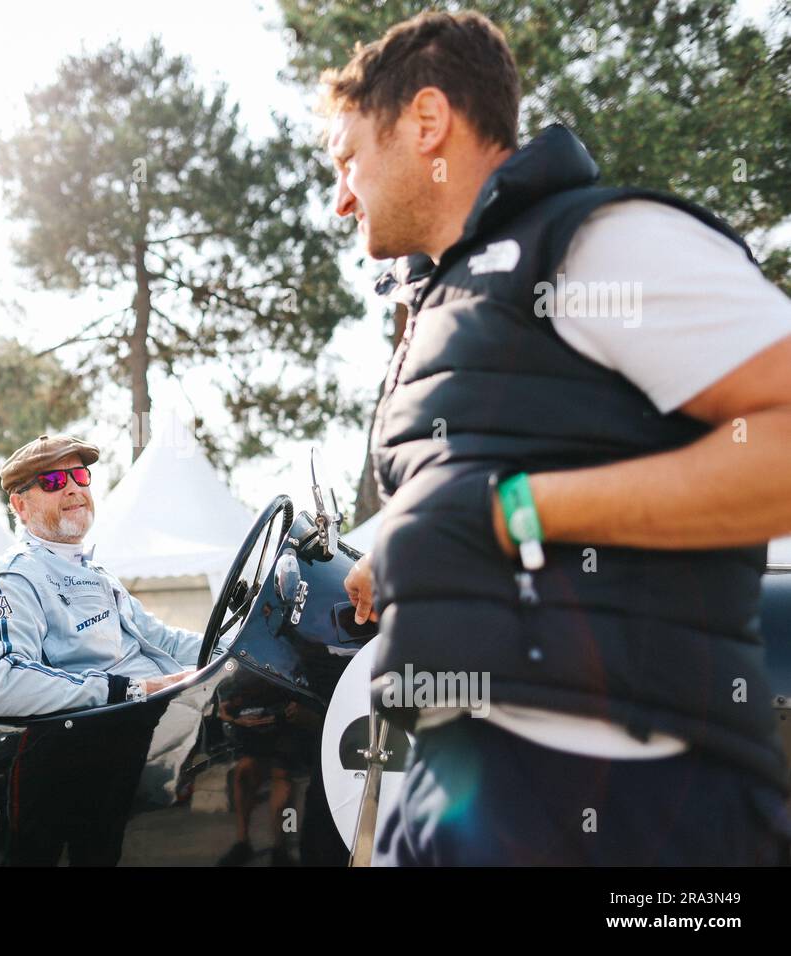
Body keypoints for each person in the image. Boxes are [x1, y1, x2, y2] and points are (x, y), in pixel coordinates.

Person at [324, 10, 791, 864]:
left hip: (617, 803)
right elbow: (512, 466)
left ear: (426, 121)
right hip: (453, 786)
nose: (341, 196)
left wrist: (519, 511)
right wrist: (405, 542)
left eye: (348, 158)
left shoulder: (599, 243)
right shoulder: (447, 301)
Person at [0, 434, 201, 718]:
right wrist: (134, 689)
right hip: (124, 730)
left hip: (176, 712)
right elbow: (1, 684)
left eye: (79, 475)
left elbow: (165, 642)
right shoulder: (12, 578)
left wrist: (236, 648)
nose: (74, 488)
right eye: (53, 481)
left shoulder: (95, 572)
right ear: (20, 506)